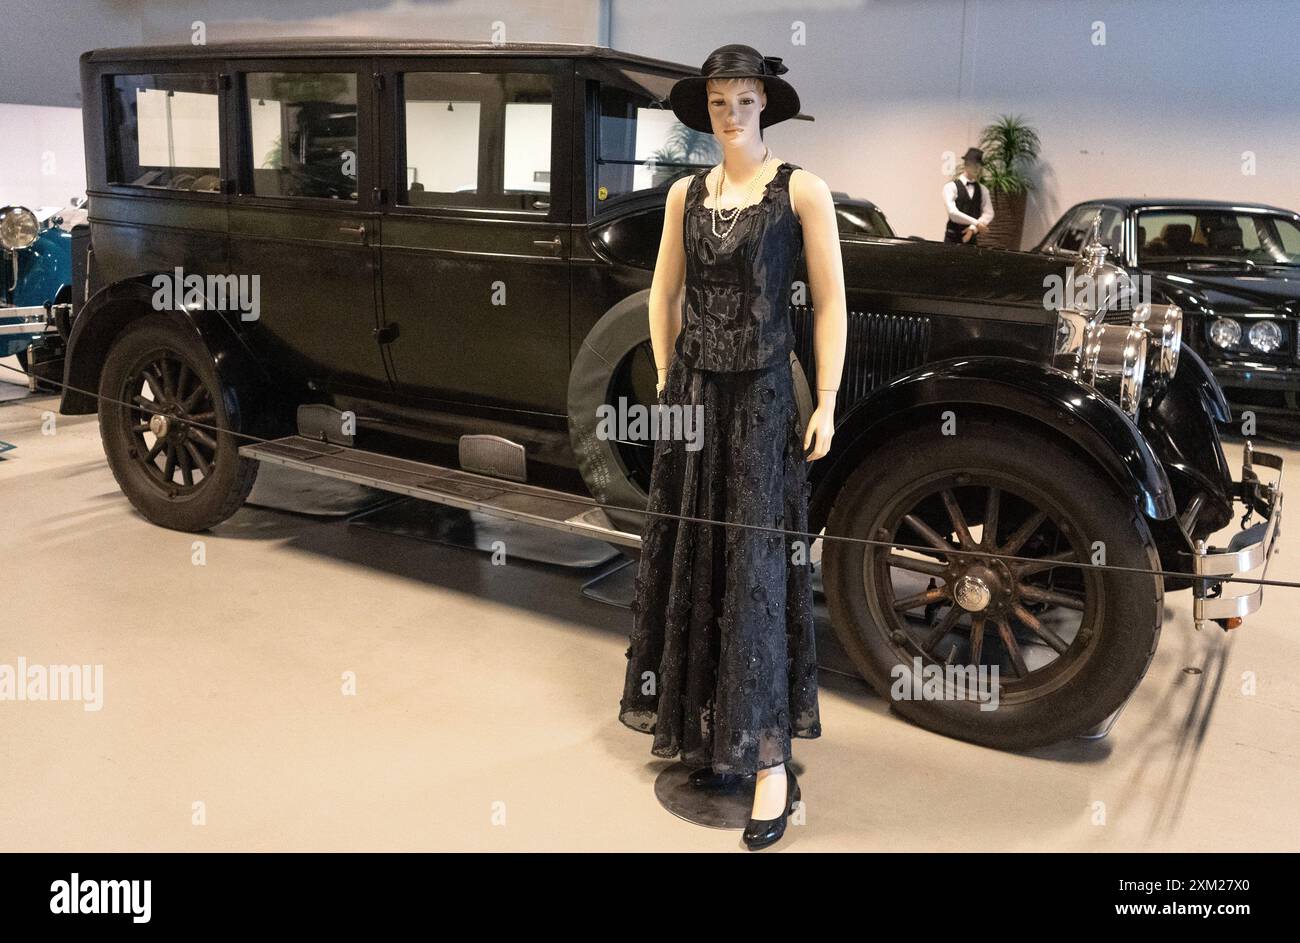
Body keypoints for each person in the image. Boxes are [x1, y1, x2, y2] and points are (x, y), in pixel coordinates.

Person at [617, 43, 847, 850]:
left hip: (762, 401)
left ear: (765, 104)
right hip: (694, 397)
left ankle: (770, 762)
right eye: (719, 100)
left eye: (744, 99)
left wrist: (825, 399)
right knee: (690, 553)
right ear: (705, 108)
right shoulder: (687, 194)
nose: (731, 112)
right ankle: (706, 727)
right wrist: (664, 372)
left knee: (754, 567)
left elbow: (828, 305)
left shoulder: (802, 192)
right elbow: (663, 292)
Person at [943, 146, 994, 245]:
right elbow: (953, 213)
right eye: (974, 164)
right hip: (952, 238)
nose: (978, 168)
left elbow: (989, 213)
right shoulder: (950, 187)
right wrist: (977, 223)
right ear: (966, 164)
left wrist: (972, 228)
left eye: (979, 165)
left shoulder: (983, 190)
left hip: (972, 240)